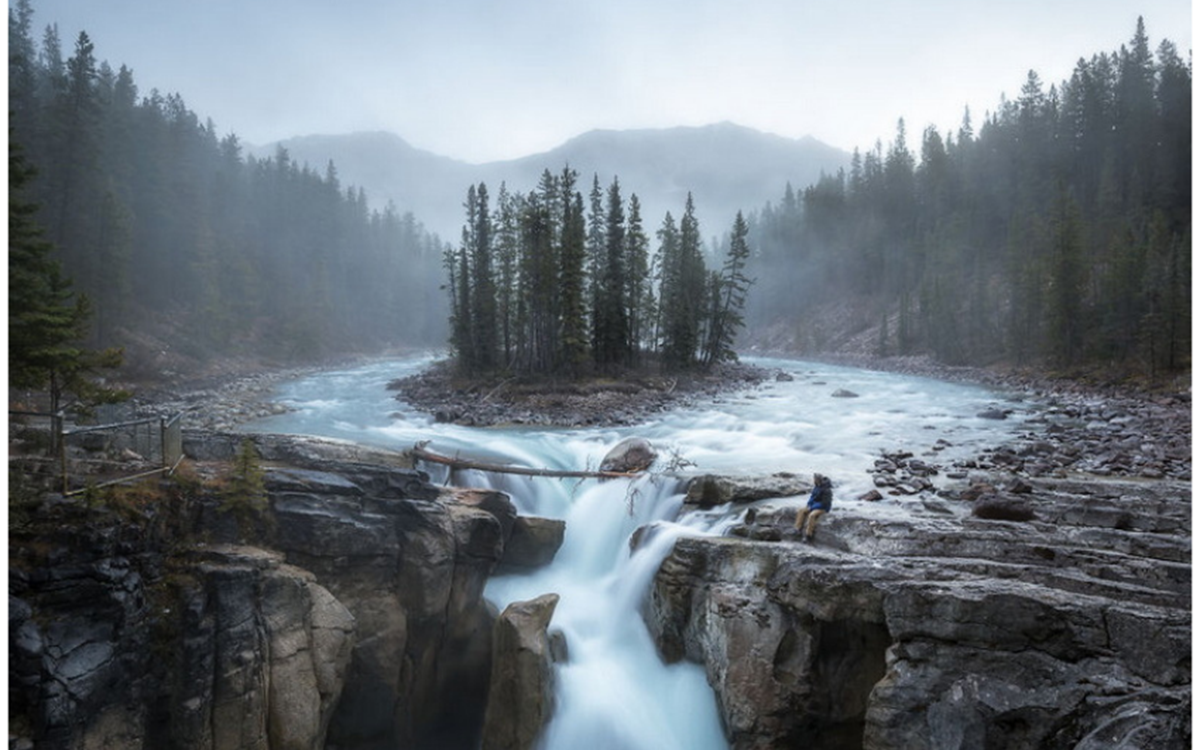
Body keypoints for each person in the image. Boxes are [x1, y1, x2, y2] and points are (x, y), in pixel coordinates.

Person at [794, 473, 833, 542]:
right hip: (814, 505)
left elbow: (825, 503)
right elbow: (812, 497)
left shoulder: (827, 490)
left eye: (815, 479)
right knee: (801, 511)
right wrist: (809, 504)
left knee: (812, 515)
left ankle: (809, 534)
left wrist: (812, 507)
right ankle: (798, 528)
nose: (814, 480)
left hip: (823, 508)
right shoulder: (816, 487)